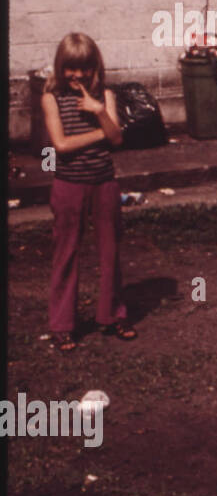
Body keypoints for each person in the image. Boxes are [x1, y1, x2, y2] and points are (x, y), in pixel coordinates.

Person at [42, 32, 135, 352]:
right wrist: (103, 130)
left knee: (110, 251)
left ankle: (111, 315)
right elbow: (62, 144)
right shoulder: (51, 98)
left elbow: (119, 140)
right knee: (66, 252)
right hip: (68, 184)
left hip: (104, 183)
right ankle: (62, 325)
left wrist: (98, 110)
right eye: (71, 68)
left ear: (95, 67)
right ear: (60, 67)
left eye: (84, 68)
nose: (78, 75)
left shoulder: (105, 96)